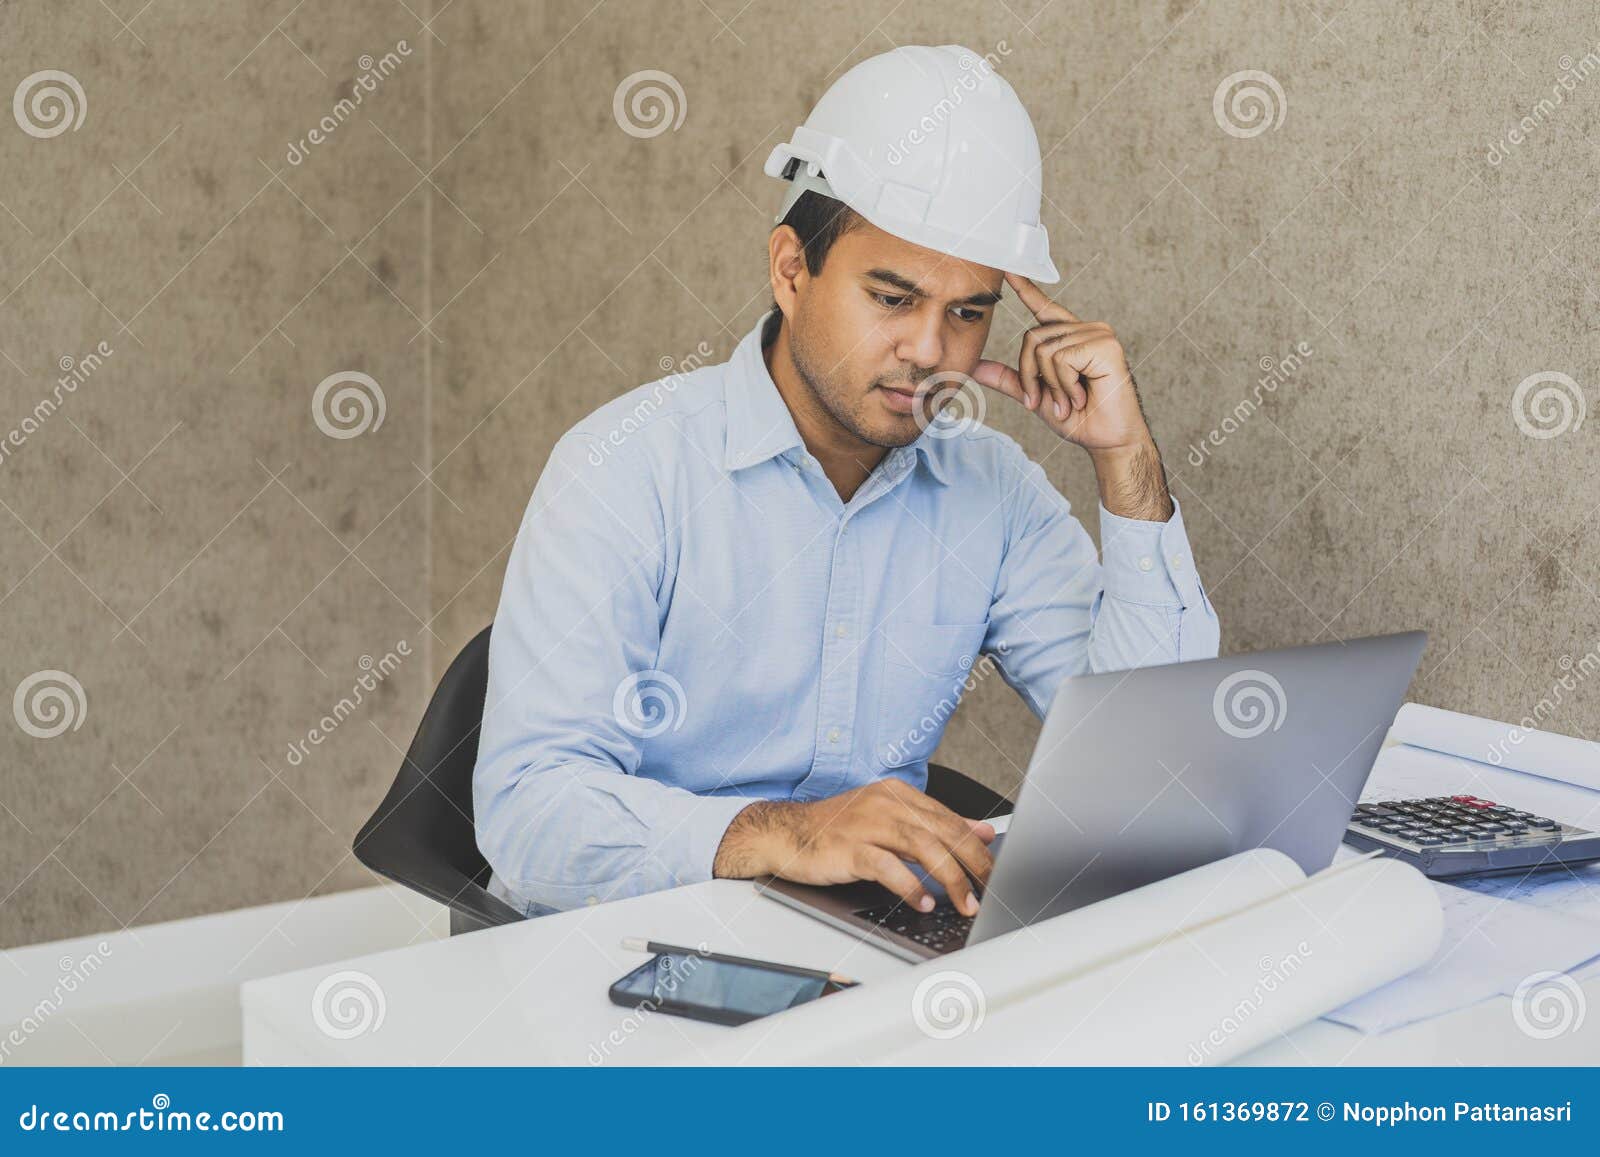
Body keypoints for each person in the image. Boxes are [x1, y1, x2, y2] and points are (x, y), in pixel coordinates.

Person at [473, 44, 1219, 922]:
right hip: (625, 952)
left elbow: (1148, 764)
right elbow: (529, 810)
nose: (932, 350)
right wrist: (787, 834)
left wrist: (1123, 459)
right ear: (792, 269)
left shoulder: (993, 491)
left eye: (968, 311)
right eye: (893, 297)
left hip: (866, 948)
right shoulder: (627, 468)